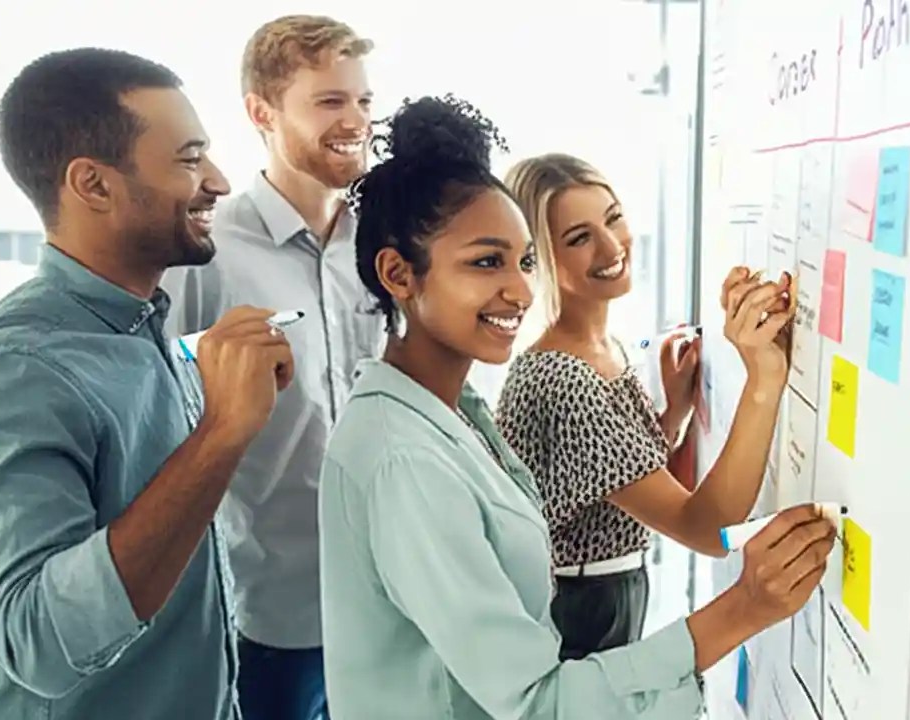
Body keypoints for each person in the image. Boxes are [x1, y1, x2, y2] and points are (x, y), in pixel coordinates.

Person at [317, 94, 836, 719]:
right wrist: (746, 604)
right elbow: (536, 702)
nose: (517, 288)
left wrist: (667, 421)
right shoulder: (406, 458)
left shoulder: (452, 413)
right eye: (486, 262)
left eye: (523, 260)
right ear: (399, 275)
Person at [0, 48, 294, 719]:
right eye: (190, 160)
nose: (220, 182)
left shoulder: (148, 336)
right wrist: (221, 435)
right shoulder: (14, 370)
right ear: (94, 185)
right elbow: (38, 640)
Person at [161, 15, 377, 719]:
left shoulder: (380, 246)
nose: (355, 121)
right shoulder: (207, 251)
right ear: (261, 112)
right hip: (275, 618)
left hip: (392, 602)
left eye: (363, 101)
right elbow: (166, 414)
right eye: (330, 102)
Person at [497, 153, 793, 659]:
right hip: (576, 614)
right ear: (536, 258)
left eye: (612, 218)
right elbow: (710, 528)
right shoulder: (562, 379)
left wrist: (671, 418)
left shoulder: (603, 348)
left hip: (600, 598)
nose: (612, 246)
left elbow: (606, 486)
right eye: (579, 238)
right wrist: (764, 380)